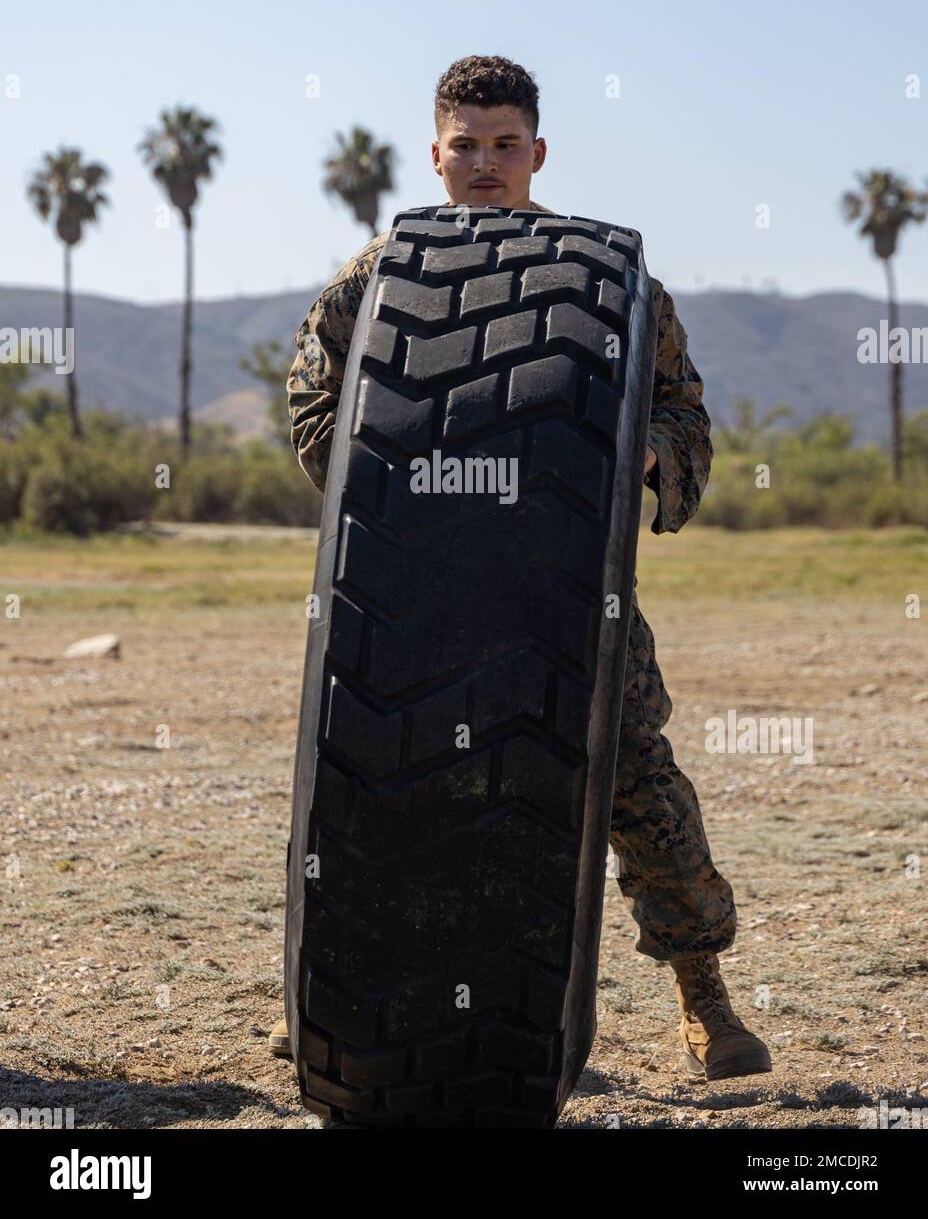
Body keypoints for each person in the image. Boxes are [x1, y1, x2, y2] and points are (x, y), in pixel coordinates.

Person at [275, 55, 771, 1083]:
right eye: (467, 146)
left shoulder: (609, 283)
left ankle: (703, 998)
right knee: (366, 775)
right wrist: (392, 476)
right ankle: (331, 997)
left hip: (569, 596)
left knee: (635, 780)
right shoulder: (379, 276)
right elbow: (313, 408)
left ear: (536, 151)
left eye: (506, 145)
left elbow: (686, 420)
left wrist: (644, 454)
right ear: (436, 153)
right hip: (408, 594)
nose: (486, 164)